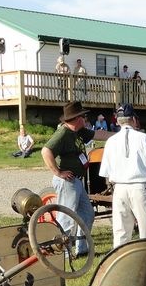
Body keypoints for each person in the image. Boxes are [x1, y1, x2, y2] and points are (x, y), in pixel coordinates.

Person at [41, 101, 111, 257]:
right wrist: (58, 172)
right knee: (66, 218)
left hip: (77, 181)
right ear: (77, 118)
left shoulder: (79, 131)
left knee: (87, 214)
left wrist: (120, 135)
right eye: (83, 116)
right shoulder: (63, 134)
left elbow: (99, 134)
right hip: (67, 182)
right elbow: (46, 151)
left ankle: (82, 249)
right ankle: (64, 254)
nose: (85, 119)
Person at [99, 104, 146, 247]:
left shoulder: (110, 141)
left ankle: (119, 262)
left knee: (121, 232)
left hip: (119, 188)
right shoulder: (144, 138)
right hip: (140, 187)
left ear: (117, 121)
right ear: (134, 119)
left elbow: (106, 173)